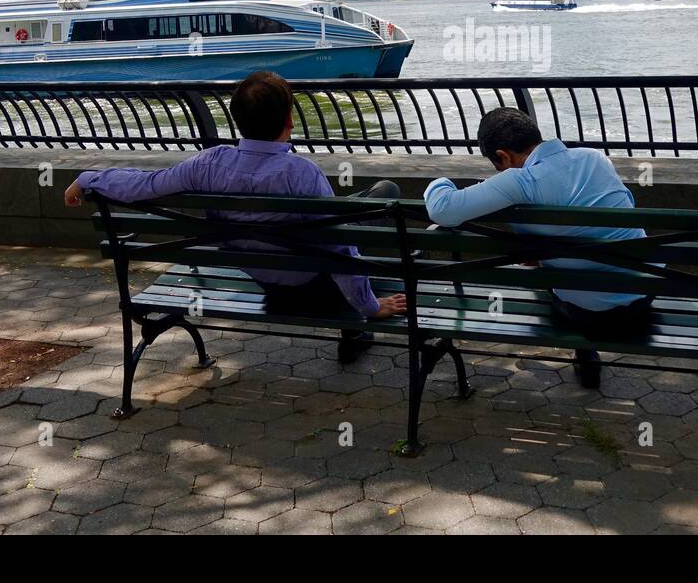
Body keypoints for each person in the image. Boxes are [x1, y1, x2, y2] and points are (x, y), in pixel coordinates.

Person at [64, 71, 406, 363]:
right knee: (383, 194)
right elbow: (339, 249)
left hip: (267, 282)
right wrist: (368, 308)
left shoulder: (208, 163)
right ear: (288, 121)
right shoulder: (301, 172)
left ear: (237, 120)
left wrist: (89, 178)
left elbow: (146, 185)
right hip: (315, 287)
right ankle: (353, 330)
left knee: (343, 215)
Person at [424, 108, 652, 389]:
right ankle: (586, 354)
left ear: (504, 156)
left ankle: (585, 349)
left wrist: (439, 181)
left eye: (498, 165)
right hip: (643, 298)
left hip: (589, 314)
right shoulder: (595, 158)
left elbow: (442, 210)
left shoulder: (521, 181)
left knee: (545, 279)